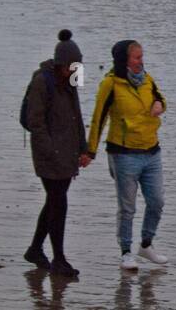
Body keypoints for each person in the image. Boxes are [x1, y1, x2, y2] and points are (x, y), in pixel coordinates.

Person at [87, 40, 168, 271]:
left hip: (152, 152)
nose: (141, 61)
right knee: (127, 207)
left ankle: (146, 244)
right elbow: (98, 118)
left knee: (157, 201)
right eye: (136, 58)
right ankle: (125, 252)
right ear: (124, 60)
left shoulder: (147, 79)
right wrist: (89, 151)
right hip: (123, 155)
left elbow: (161, 99)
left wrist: (160, 106)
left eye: (142, 57)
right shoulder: (110, 85)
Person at [24, 30, 90, 278]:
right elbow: (35, 122)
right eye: (72, 67)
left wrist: (83, 148)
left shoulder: (70, 81)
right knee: (58, 202)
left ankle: (35, 249)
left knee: (54, 201)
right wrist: (50, 151)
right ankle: (59, 258)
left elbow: (77, 115)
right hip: (49, 155)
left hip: (68, 151)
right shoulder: (42, 81)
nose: (76, 71)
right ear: (61, 64)